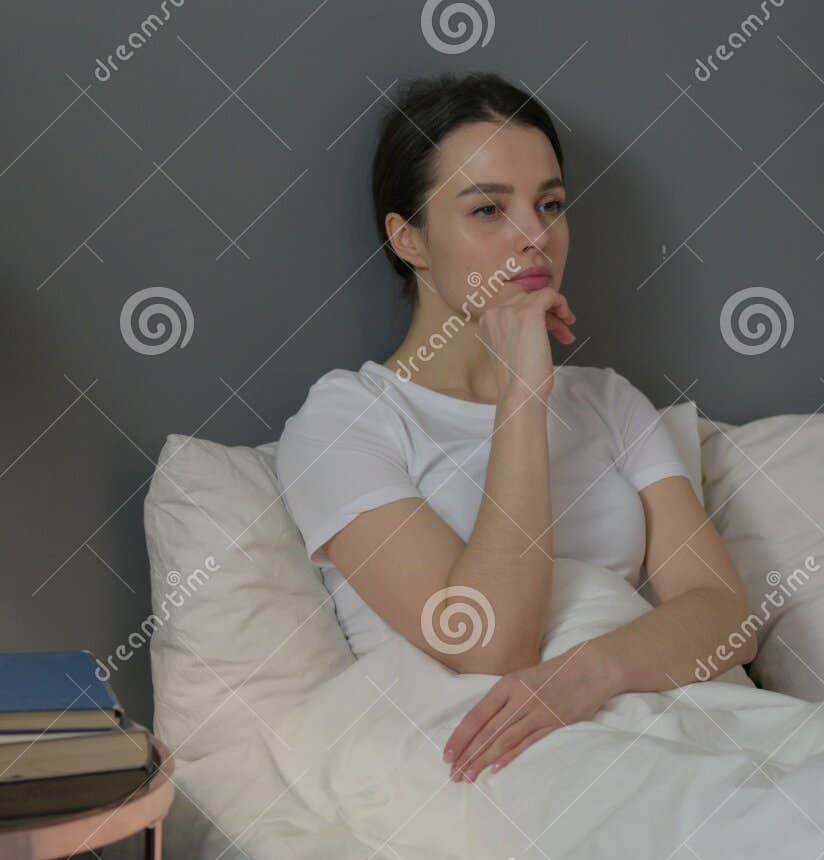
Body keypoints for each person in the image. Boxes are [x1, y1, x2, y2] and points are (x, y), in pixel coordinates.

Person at [275, 72, 756, 785]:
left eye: (550, 204)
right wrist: (523, 396)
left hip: (653, 717)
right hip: (495, 756)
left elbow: (724, 616)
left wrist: (592, 672)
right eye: (487, 210)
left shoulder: (609, 403)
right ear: (410, 239)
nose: (535, 237)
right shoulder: (345, 422)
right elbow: (489, 648)